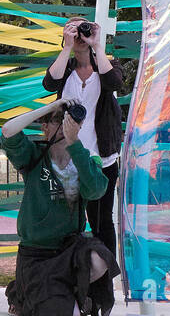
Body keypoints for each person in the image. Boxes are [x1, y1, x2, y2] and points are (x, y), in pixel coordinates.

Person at [2, 98, 119, 316]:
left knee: (100, 259)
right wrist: (49, 108)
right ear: (45, 127)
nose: (66, 124)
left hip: (69, 249)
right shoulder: (33, 155)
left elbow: (96, 191)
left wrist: (75, 142)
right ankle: (22, 294)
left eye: (70, 119)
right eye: (58, 120)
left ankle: (64, 292)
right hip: (37, 256)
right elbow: (8, 130)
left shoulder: (85, 157)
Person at [42, 16, 123, 257]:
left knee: (101, 220)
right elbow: (49, 83)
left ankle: (105, 279)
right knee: (68, 219)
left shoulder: (107, 66)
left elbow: (115, 82)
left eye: (83, 29)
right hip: (67, 159)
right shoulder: (65, 68)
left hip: (101, 158)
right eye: (73, 31)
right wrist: (67, 47)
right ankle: (67, 273)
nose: (79, 36)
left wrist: (97, 45)